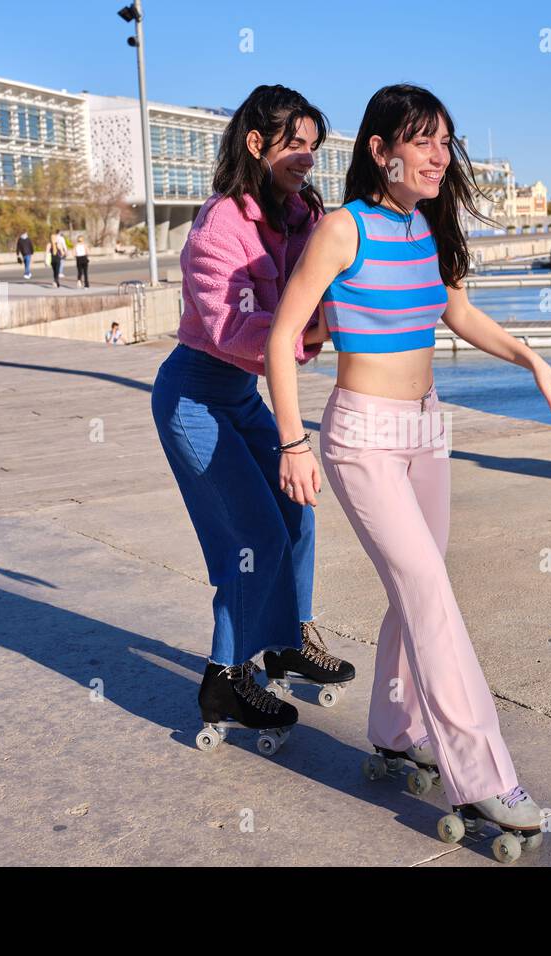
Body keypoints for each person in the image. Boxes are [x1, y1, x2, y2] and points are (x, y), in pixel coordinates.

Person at [266, 84, 551, 844]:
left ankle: (395, 726)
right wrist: (292, 442)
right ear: (381, 150)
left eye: (446, 141)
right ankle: (485, 777)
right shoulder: (343, 230)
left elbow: (457, 312)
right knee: (430, 593)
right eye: (425, 141)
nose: (441, 156)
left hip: (426, 433)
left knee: (420, 582)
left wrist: (531, 358)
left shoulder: (426, 227)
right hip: (361, 437)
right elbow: (281, 339)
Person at [149, 84, 353, 749]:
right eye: (296, 146)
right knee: (251, 542)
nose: (307, 160)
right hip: (194, 398)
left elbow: (330, 278)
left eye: (314, 149)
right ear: (256, 143)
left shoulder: (300, 215)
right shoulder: (219, 226)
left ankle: (286, 643)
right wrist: (314, 331)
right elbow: (235, 328)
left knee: (297, 514)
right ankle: (224, 678)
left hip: (240, 396)